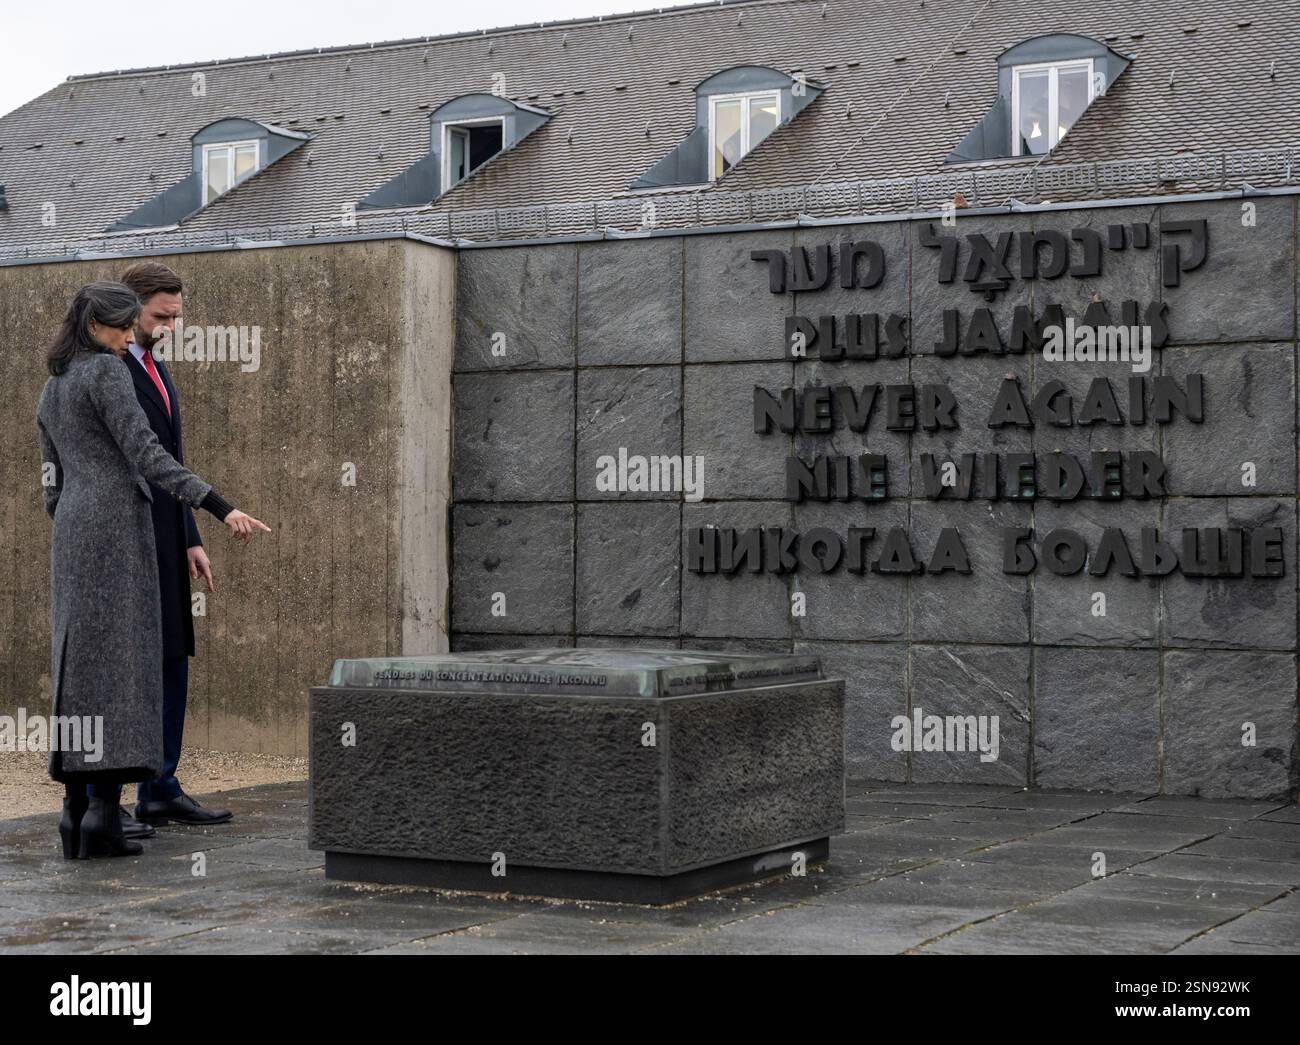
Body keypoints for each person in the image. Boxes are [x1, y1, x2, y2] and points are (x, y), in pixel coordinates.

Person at [37, 281, 270, 859]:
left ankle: (76, 815)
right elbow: (146, 455)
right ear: (96, 325)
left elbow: (50, 479)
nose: (127, 339)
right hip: (119, 524)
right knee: (126, 664)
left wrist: (72, 514)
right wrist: (218, 504)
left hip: (72, 528)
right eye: (121, 328)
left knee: (78, 662)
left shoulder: (54, 383)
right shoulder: (109, 373)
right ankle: (104, 817)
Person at [117, 263, 230, 835]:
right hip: (127, 539)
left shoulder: (156, 367)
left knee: (170, 661)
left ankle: (161, 787)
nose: (169, 327)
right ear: (128, 308)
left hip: (168, 538)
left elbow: (171, 460)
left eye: (177, 318)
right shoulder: (110, 371)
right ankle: (109, 793)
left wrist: (190, 537)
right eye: (161, 316)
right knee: (130, 667)